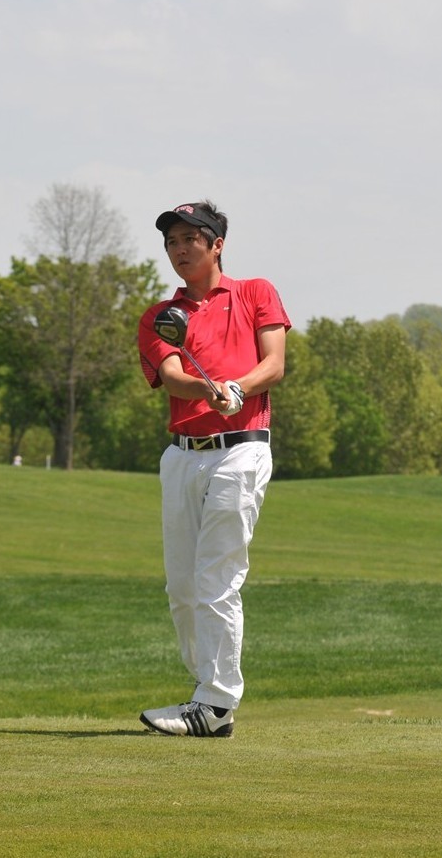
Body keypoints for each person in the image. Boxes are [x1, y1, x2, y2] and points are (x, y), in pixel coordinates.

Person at [135, 200, 290, 737]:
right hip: (183, 455)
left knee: (216, 579)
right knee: (182, 589)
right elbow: (172, 377)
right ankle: (207, 695)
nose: (179, 250)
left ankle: (217, 702)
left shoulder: (255, 292)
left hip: (241, 449)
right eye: (171, 242)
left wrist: (237, 389)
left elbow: (274, 364)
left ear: (216, 244)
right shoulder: (161, 316)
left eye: (190, 239)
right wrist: (208, 389)